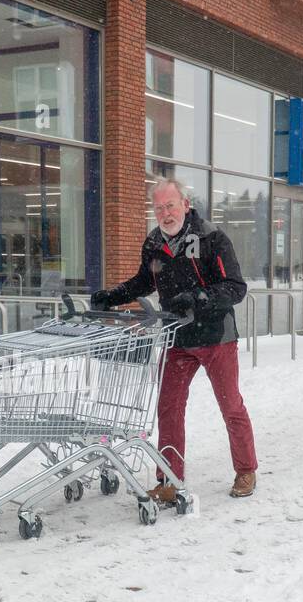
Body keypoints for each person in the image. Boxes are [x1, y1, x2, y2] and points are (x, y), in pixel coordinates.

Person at [90, 177, 258, 500]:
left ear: (185, 203)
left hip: (216, 337)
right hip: (177, 338)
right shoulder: (154, 243)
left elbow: (236, 287)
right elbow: (144, 281)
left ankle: (246, 469)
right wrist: (113, 296)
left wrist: (198, 297)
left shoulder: (211, 238)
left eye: (170, 205)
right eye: (159, 208)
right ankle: (169, 480)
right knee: (168, 407)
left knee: (230, 405)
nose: (166, 213)